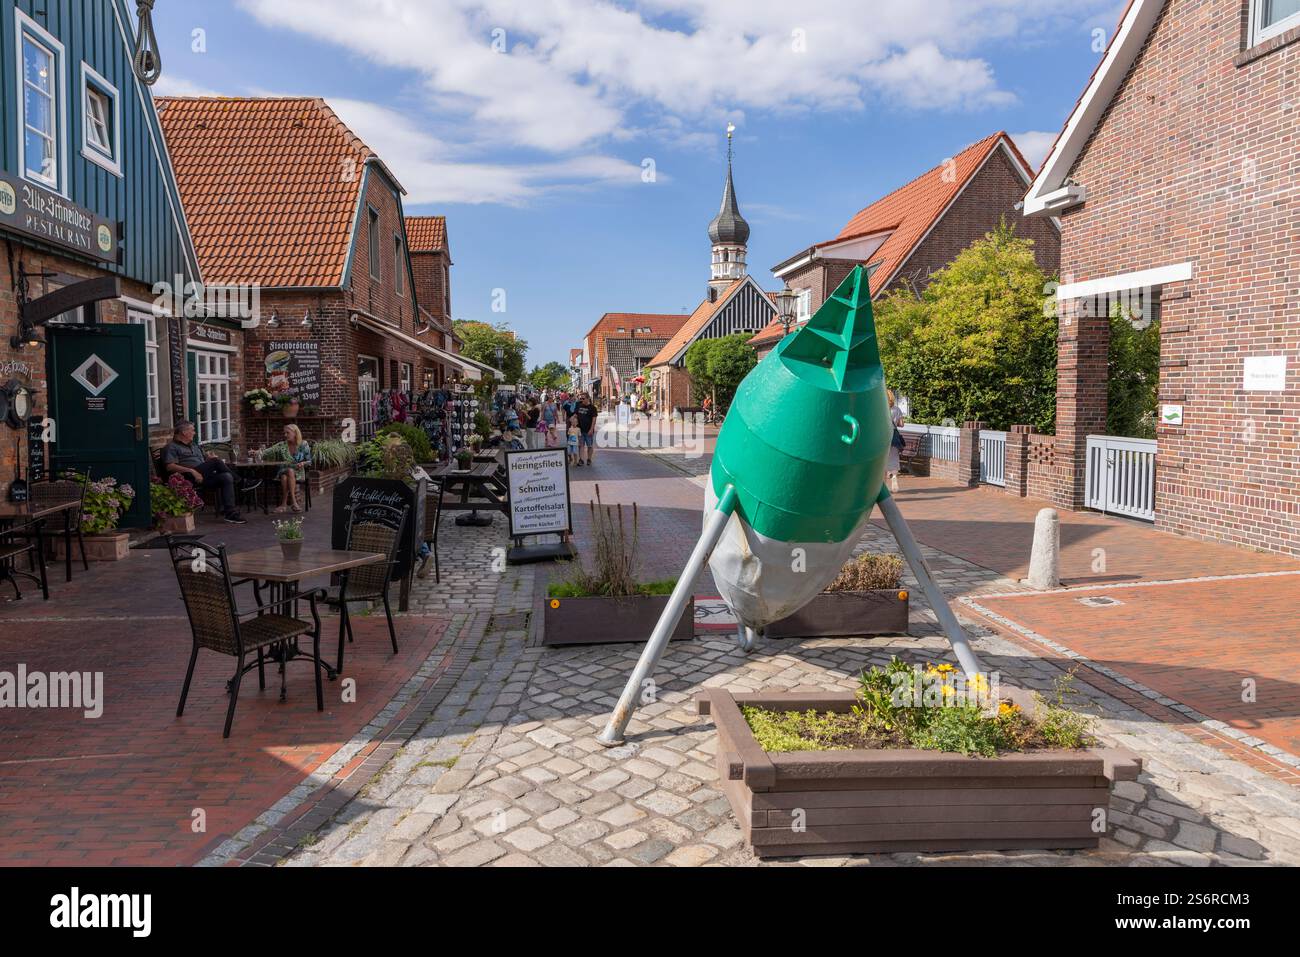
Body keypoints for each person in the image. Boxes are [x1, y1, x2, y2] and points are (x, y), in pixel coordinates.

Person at [162, 420, 246, 524]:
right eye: (192, 430)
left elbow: (202, 462)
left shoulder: (194, 445)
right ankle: (241, 482)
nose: (194, 433)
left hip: (202, 475)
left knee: (226, 476)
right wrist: (192, 471)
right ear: (184, 432)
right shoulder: (171, 447)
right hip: (187, 477)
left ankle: (230, 514)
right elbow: (170, 466)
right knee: (216, 462)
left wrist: (208, 459)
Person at [275, 424, 311, 513]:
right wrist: (257, 452)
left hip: (298, 471)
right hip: (283, 469)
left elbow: (310, 461)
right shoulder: (282, 445)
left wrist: (303, 463)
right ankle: (294, 502)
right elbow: (269, 452)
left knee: (285, 477)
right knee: (289, 471)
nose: (285, 435)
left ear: (295, 433)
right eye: (284, 433)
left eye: (288, 433)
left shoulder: (303, 444)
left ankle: (283, 504)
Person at [886, 389, 905, 493]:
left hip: (883, 436)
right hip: (894, 436)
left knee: (883, 458)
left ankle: (883, 484)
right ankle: (893, 476)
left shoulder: (880, 409)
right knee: (893, 457)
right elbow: (901, 424)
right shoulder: (897, 409)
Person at [574, 393, 597, 466]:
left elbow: (594, 420)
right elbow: (575, 415)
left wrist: (591, 429)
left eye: (583, 398)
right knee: (581, 445)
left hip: (588, 430)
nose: (581, 400)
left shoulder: (592, 408)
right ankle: (581, 459)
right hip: (580, 430)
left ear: (588, 399)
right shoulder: (579, 406)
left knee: (589, 445)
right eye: (581, 398)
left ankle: (589, 459)